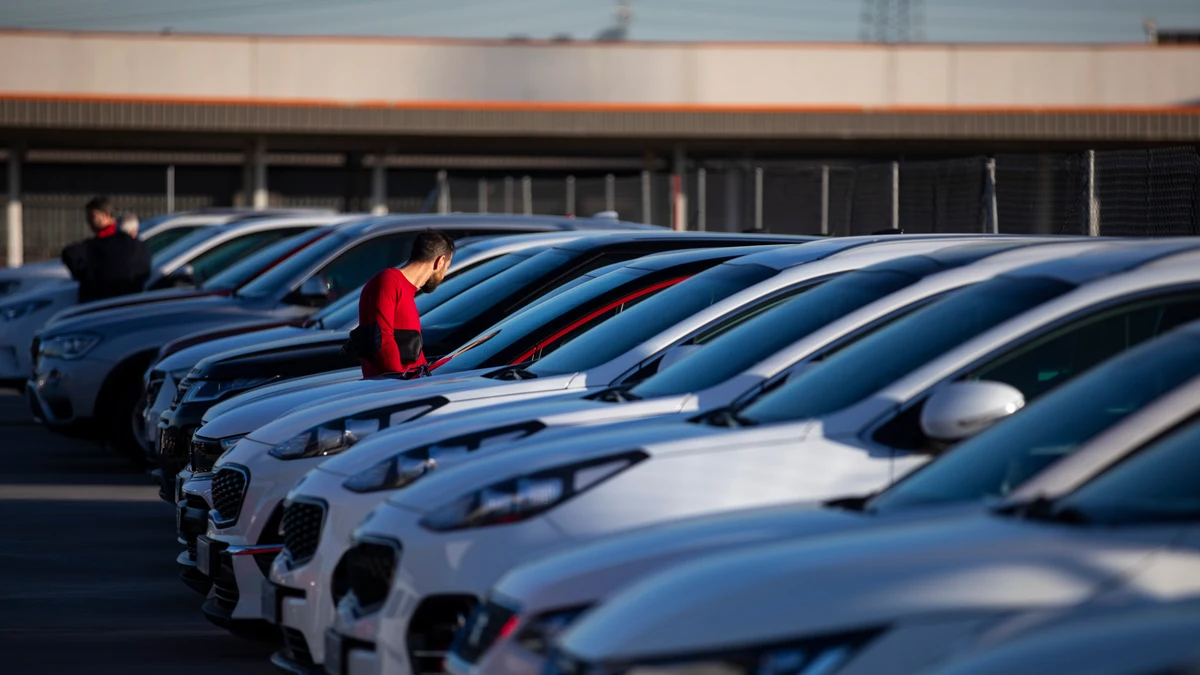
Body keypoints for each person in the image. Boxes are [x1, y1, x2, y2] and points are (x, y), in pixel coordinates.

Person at [346, 230, 455, 378]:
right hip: (393, 391)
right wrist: (400, 381)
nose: (443, 275)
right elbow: (382, 340)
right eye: (446, 267)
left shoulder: (403, 289)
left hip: (409, 388)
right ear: (440, 261)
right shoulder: (389, 281)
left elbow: (413, 357)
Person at [61, 197, 152, 303]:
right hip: (130, 302)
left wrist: (86, 277)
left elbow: (69, 253)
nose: (89, 222)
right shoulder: (137, 244)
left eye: (92, 217)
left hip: (99, 302)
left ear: (106, 215)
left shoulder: (99, 244)